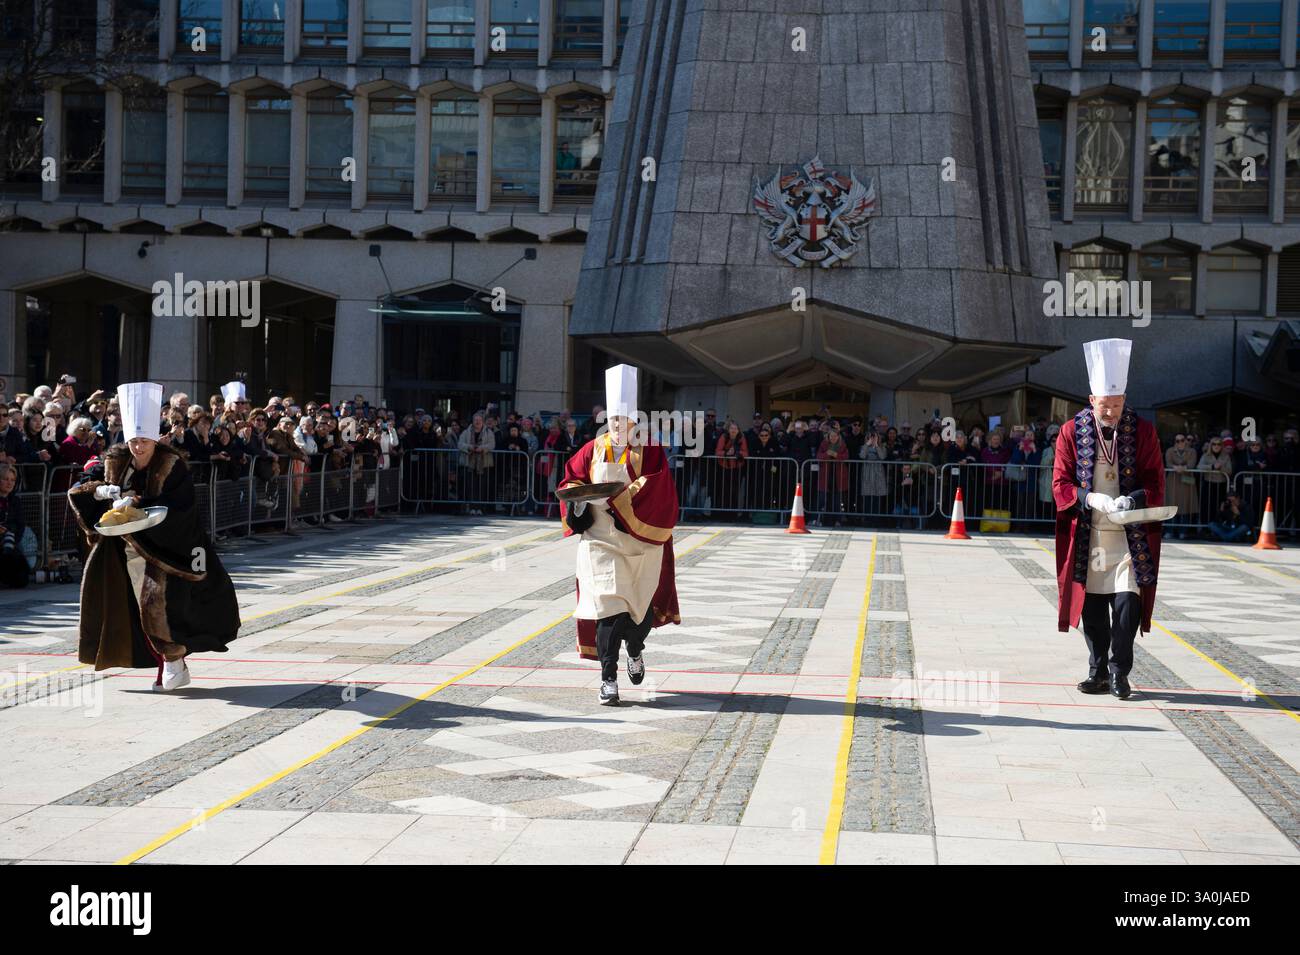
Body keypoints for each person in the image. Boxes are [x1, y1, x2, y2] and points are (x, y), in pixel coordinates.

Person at [67, 382, 241, 691]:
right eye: (134, 441)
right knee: (131, 611)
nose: (138, 447)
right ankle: (167, 666)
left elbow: (181, 507)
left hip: (168, 548)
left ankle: (174, 660)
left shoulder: (172, 466)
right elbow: (80, 488)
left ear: (153, 438)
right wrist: (101, 490)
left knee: (161, 607)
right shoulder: (115, 461)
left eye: (144, 440)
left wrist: (136, 504)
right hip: (124, 548)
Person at [559, 364, 680, 706]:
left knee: (638, 614)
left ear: (634, 422)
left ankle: (636, 649)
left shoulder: (652, 451)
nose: (618, 426)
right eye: (613, 420)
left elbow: (661, 491)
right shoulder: (591, 449)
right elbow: (570, 481)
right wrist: (581, 501)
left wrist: (622, 499)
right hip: (600, 542)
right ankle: (608, 679)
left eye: (624, 420)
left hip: (641, 544)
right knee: (608, 610)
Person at [1052, 340, 1165, 701]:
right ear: (1091, 401)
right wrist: (1089, 497)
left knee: (1127, 603)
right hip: (1091, 532)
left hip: (1128, 534)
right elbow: (1060, 481)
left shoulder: (1142, 430)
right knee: (1093, 606)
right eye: (1105, 405)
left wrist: (1132, 498)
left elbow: (1155, 479)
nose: (1112, 412)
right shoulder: (1071, 431)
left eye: (1117, 405)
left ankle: (1120, 672)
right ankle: (1097, 670)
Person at [0, 462, 29, 587]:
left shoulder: (15, 501)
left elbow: (20, 525)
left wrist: (10, 534)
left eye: (12, 480)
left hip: (9, 542)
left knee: (21, 578)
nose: (9, 483)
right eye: (5, 479)